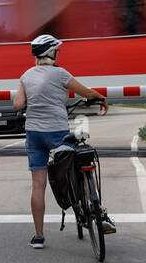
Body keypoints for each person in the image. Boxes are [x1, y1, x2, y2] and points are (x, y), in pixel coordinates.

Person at [13, 33, 112, 249]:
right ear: (51, 52)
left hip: (34, 134)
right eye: (57, 50)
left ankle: (38, 237)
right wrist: (100, 98)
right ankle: (96, 210)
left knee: (38, 185)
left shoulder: (26, 76)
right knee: (77, 164)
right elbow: (84, 91)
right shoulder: (59, 74)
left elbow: (18, 104)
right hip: (57, 131)